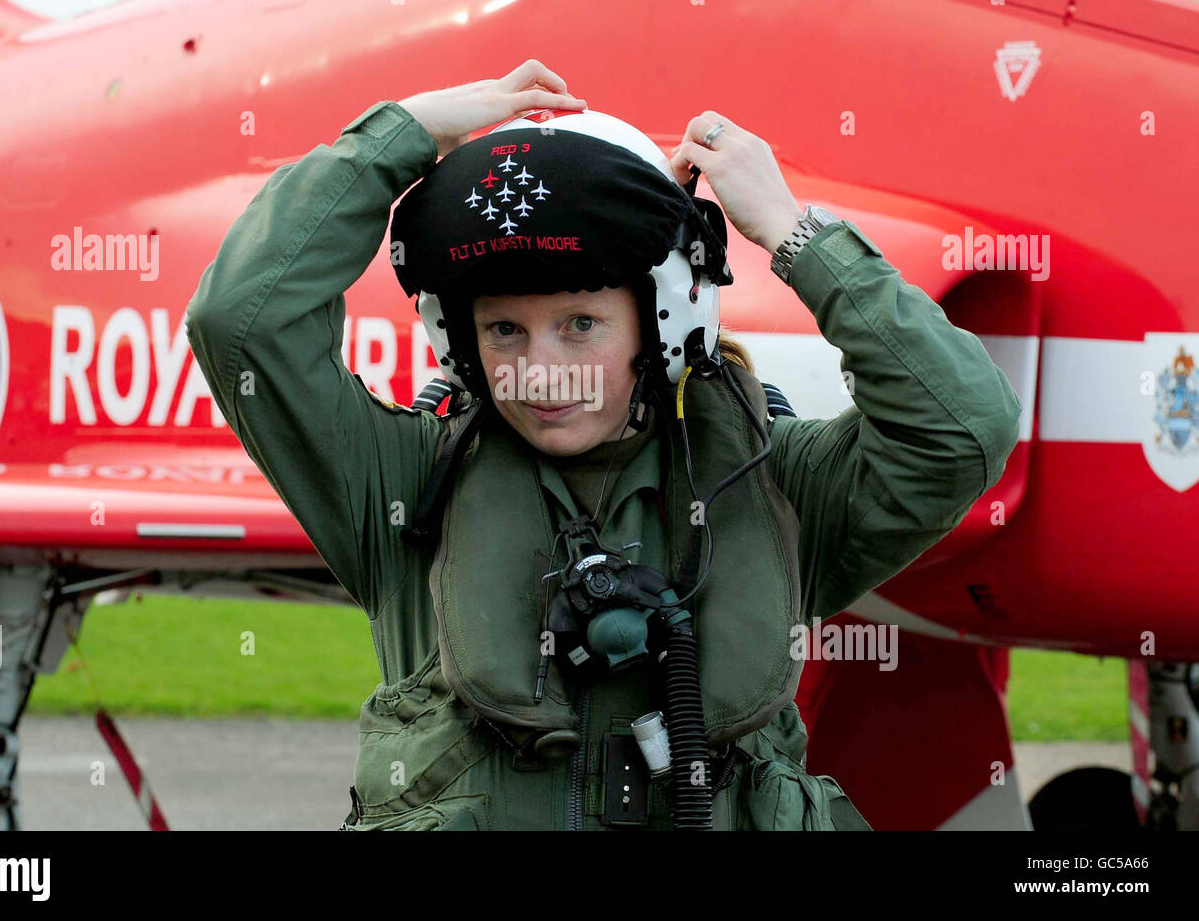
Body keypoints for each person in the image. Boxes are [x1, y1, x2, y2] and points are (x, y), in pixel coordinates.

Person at [186, 59, 1022, 830]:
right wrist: (399, 135)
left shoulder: (776, 486)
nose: (540, 370)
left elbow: (961, 426)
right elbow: (243, 323)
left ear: (659, 324)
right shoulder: (403, 486)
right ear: (464, 345)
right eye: (504, 330)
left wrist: (796, 236)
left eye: (580, 324)